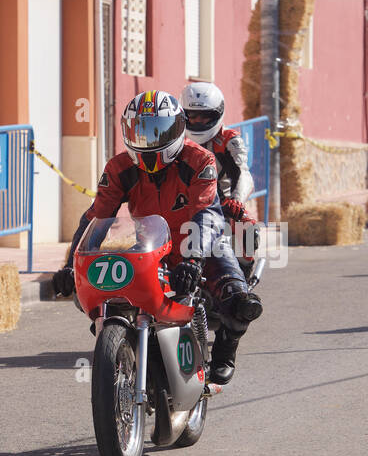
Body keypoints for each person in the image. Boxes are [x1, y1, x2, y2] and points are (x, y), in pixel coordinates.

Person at [51, 90, 262, 384]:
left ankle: (225, 351)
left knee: (242, 302)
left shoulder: (201, 160)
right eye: (140, 132)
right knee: (112, 297)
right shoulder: (118, 167)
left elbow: (207, 214)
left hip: (203, 246)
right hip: (151, 247)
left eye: (157, 132)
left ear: (176, 128)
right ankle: (128, 348)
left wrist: (194, 258)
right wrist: (72, 265)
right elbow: (95, 217)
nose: (149, 141)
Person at [179, 82, 258, 276]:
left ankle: (243, 273)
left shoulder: (230, 139)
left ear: (217, 114)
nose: (198, 121)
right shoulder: (175, 137)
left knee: (246, 226)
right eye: (192, 116)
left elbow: (243, 173)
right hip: (182, 200)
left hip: (222, 203)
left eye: (205, 116)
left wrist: (237, 202)